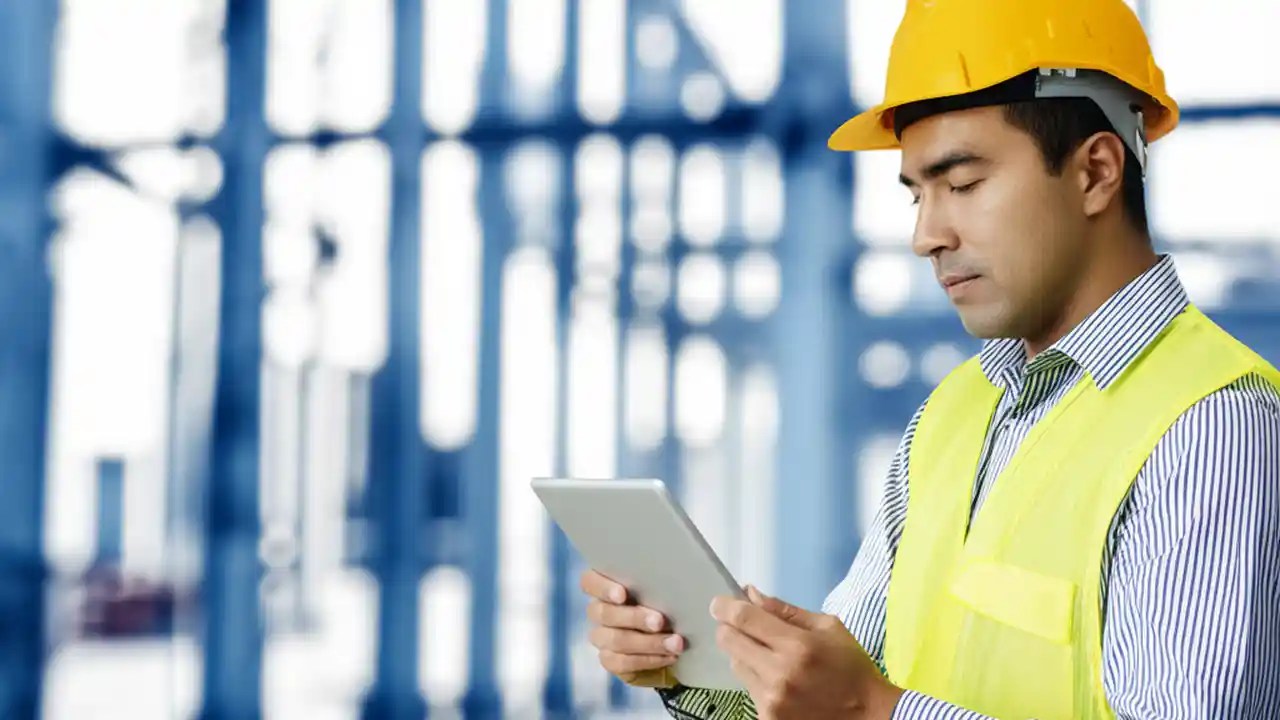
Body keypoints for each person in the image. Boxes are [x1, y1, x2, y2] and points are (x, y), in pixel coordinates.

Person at [579, 0, 1280, 718]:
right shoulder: (950, 419)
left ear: (1096, 172)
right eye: (917, 194)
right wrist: (695, 672)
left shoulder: (1212, 428)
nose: (926, 235)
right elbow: (839, 697)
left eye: (962, 184)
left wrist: (872, 709)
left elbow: (864, 705)